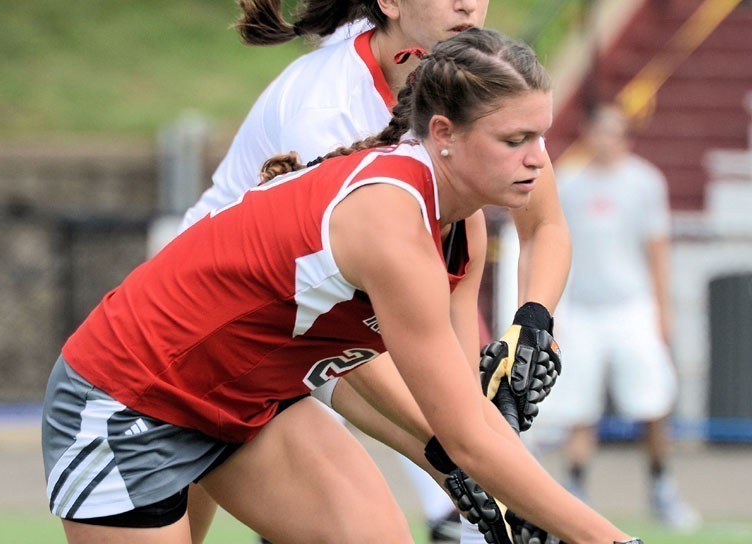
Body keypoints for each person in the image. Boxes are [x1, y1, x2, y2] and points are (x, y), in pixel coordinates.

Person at [41, 28, 642, 544]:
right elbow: (464, 436)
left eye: (542, 136)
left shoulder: (463, 227)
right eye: (516, 141)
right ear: (443, 133)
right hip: (129, 399)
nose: (540, 160)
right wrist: (603, 536)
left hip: (250, 398)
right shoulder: (391, 227)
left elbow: (467, 418)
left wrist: (504, 480)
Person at [179, 2, 569, 542]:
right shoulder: (330, 112)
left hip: (296, 333)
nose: (467, 4)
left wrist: (533, 319)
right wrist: (466, 461)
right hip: (209, 328)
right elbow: (344, 353)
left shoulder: (477, 76)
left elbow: (544, 226)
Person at [548, 102, 701, 531]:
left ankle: (661, 486)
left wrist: (662, 311)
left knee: (652, 402)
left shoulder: (644, 182)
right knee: (578, 407)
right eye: (599, 131)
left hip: (631, 308)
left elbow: (656, 250)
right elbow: (556, 246)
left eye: (614, 132)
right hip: (583, 311)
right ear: (589, 134)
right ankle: (575, 493)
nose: (605, 140)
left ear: (624, 137)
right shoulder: (570, 184)